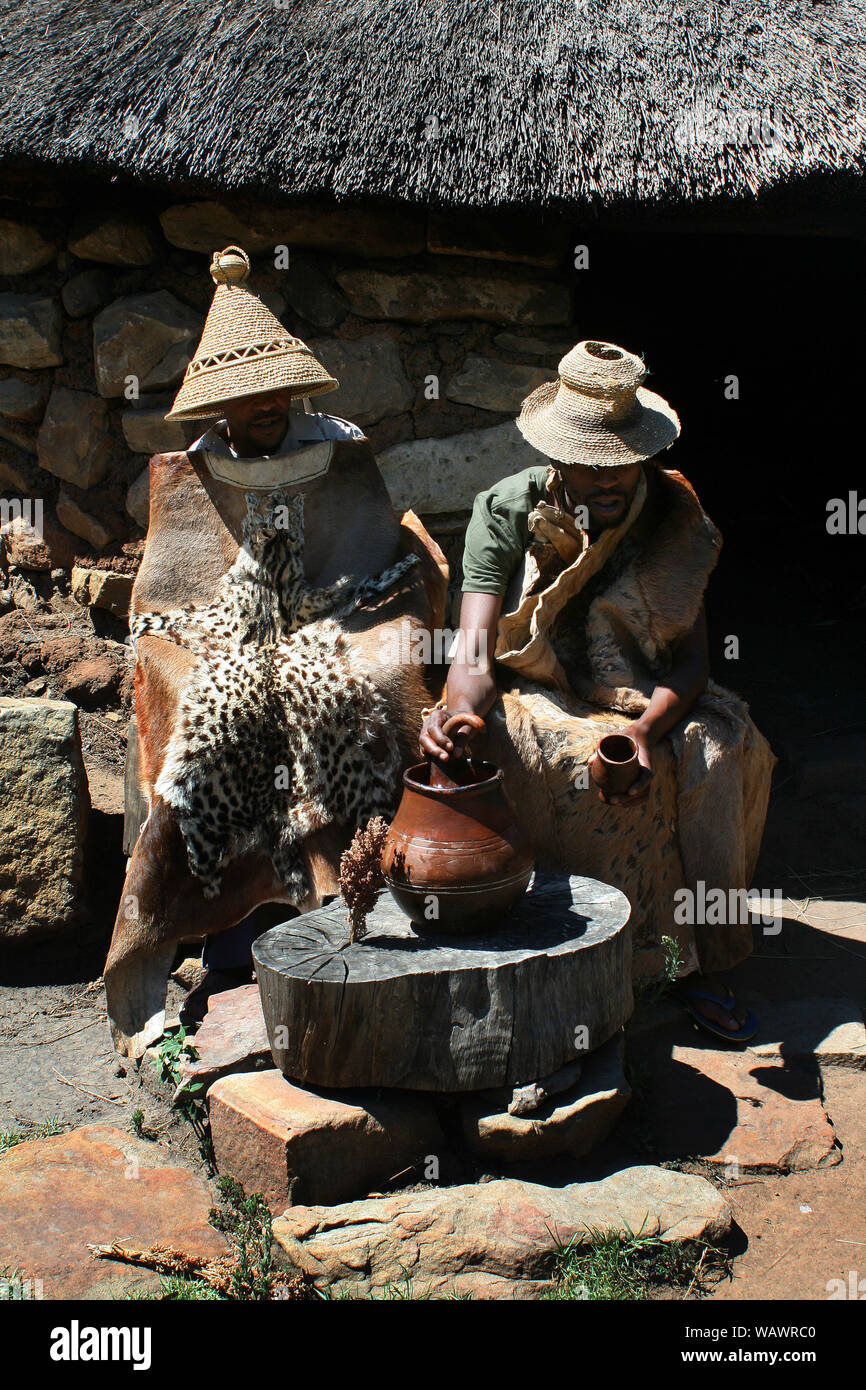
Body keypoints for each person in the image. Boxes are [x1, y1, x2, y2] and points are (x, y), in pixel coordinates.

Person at [105, 246, 446, 1055]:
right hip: (233, 625)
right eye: (241, 399)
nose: (262, 406)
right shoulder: (195, 470)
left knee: (357, 685)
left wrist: (329, 620)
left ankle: (362, 891)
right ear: (217, 406)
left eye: (272, 393)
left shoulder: (339, 442)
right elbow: (175, 585)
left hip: (338, 611)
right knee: (221, 711)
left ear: (294, 386)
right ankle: (234, 928)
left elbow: (373, 549)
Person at [421, 340, 775, 1042]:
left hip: (645, 692)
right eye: (589, 465)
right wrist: (456, 709)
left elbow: (692, 663)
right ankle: (581, 959)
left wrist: (646, 732)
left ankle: (690, 960)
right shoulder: (505, 510)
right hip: (543, 686)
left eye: (621, 463)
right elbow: (476, 650)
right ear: (557, 458)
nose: (608, 480)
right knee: (559, 764)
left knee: (719, 748)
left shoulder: (672, 515)